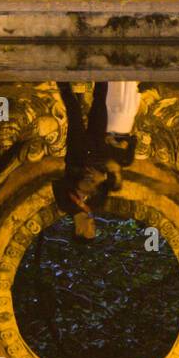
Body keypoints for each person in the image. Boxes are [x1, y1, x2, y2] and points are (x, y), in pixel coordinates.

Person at [53, 82, 114, 241]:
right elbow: (111, 182)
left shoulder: (65, 205)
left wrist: (77, 184)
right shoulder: (97, 203)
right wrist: (102, 178)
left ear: (79, 230)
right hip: (97, 150)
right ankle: (103, 71)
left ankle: (60, 76)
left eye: (90, 230)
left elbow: (57, 182)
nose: (94, 226)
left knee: (73, 110)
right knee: (100, 104)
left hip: (77, 152)